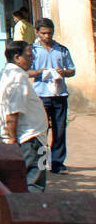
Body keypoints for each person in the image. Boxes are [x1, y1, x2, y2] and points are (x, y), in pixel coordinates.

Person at [0, 40, 49, 192]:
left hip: (28, 137)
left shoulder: (2, 74)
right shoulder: (18, 77)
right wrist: (12, 139)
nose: (32, 60)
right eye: (29, 56)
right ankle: (33, 213)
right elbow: (13, 112)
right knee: (35, 182)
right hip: (30, 138)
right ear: (17, 57)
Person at [29, 17, 75, 174]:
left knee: (60, 130)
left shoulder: (62, 50)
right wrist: (41, 72)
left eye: (50, 33)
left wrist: (64, 72)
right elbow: (27, 71)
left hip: (59, 95)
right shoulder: (32, 51)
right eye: (44, 33)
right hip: (41, 95)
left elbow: (72, 70)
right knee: (41, 131)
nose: (47, 37)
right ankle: (41, 164)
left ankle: (57, 164)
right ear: (37, 32)